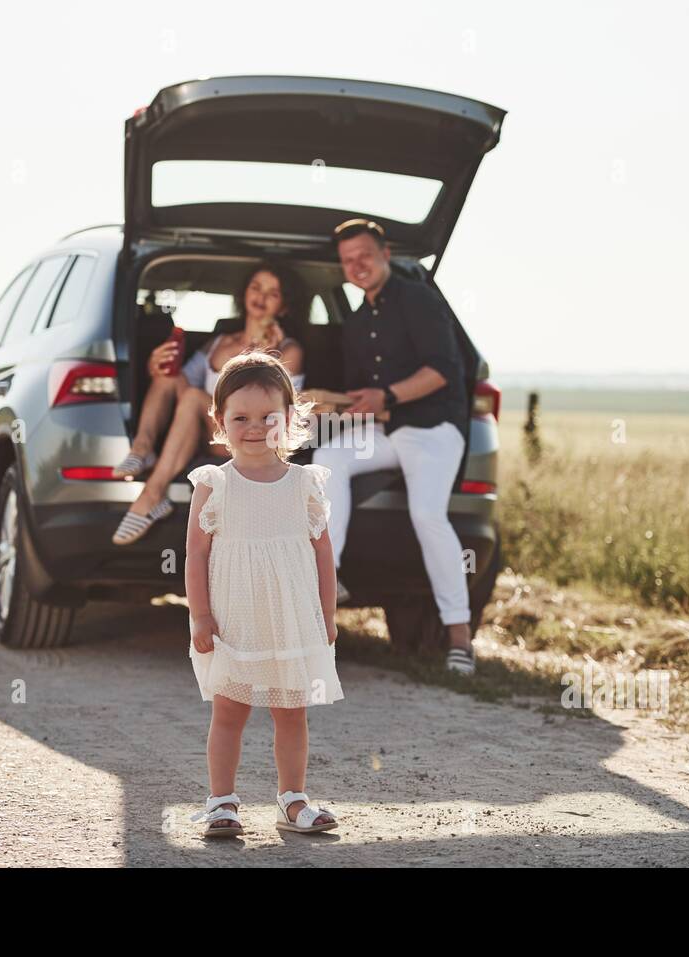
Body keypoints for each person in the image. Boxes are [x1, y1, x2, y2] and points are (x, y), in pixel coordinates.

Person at [184, 352, 342, 837]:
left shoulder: (304, 485)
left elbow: (322, 557)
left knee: (291, 712)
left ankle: (292, 800)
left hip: (290, 620)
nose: (254, 428)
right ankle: (222, 802)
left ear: (290, 420)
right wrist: (201, 617)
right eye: (240, 418)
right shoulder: (215, 484)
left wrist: (327, 617)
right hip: (235, 619)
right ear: (219, 422)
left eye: (268, 418)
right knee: (229, 712)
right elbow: (196, 557)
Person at [312, 218, 477, 675]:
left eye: (364, 255)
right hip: (386, 430)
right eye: (348, 261)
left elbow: (443, 370)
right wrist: (335, 408)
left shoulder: (419, 299)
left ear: (386, 254)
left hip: (433, 428)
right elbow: (363, 394)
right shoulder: (358, 321)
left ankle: (460, 637)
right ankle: (329, 579)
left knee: (427, 514)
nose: (357, 265)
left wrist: (385, 398)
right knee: (329, 457)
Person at [112, 262, 308, 545]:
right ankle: (142, 450)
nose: (261, 297)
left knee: (194, 398)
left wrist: (265, 357)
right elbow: (180, 380)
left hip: (250, 436)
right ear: (243, 295)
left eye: (273, 293)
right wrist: (155, 366)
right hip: (207, 428)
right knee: (169, 376)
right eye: (256, 287)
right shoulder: (219, 343)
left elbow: (279, 408)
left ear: (284, 307)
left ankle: (152, 495)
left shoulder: (288, 349)